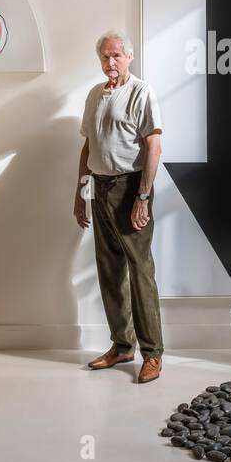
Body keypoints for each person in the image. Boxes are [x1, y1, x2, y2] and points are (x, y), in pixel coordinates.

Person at [75, 30, 165, 383]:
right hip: (98, 187)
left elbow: (154, 148)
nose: (110, 62)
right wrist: (79, 194)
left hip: (130, 187)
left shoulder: (142, 92)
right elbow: (88, 148)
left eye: (116, 56)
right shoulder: (95, 94)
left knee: (139, 270)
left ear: (129, 57)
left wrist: (143, 196)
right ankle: (122, 345)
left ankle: (152, 353)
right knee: (109, 268)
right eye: (104, 57)